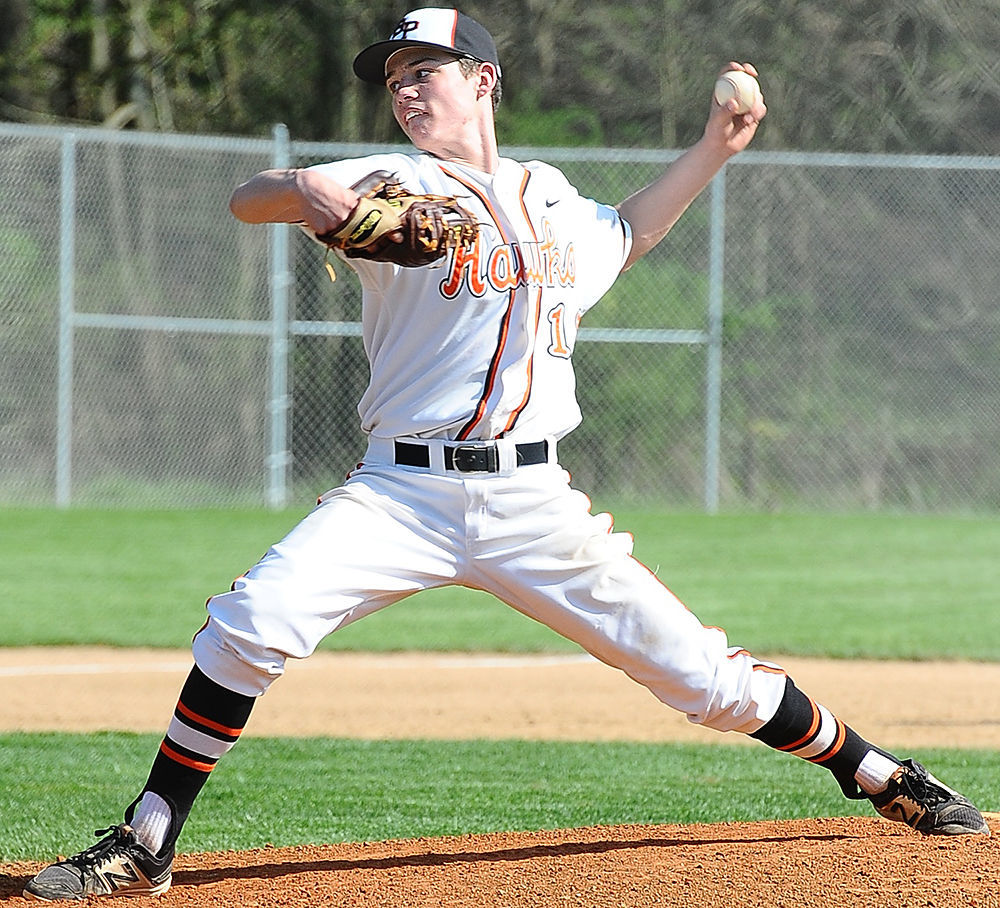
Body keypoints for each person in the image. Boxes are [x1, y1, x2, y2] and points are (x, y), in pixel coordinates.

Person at [23, 6, 989, 902]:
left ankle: (880, 774)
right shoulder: (390, 178)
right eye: (394, 79)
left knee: (702, 677)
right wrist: (306, 188)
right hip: (400, 491)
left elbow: (628, 234)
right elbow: (250, 199)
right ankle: (148, 838)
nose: (405, 91)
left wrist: (714, 148)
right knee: (252, 622)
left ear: (482, 80)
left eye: (424, 71)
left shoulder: (549, 197)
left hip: (532, 501)